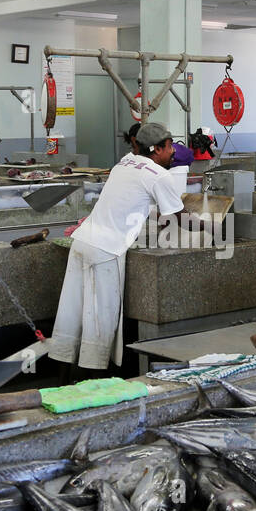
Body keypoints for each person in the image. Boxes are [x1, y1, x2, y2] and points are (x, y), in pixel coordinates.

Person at [49, 121, 184, 372]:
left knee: (71, 316)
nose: (173, 151)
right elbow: (179, 216)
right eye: (169, 146)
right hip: (105, 251)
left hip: (82, 242)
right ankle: (94, 383)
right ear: (157, 149)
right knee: (100, 321)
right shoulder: (159, 175)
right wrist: (211, 225)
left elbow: (133, 202)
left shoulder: (124, 163)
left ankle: (62, 379)